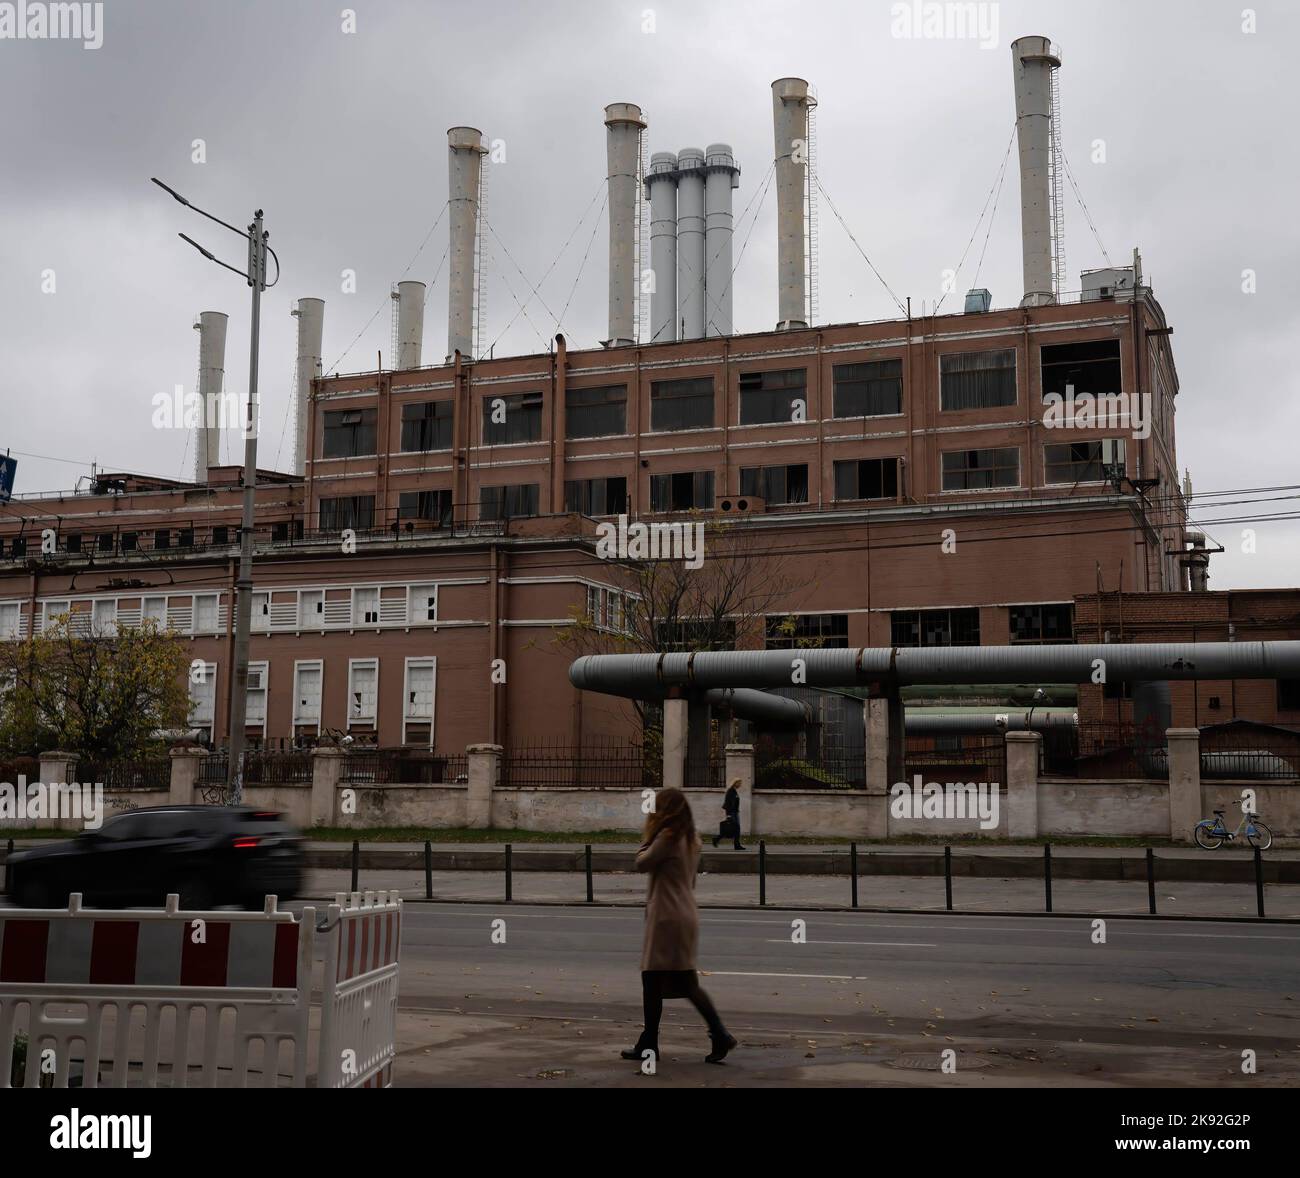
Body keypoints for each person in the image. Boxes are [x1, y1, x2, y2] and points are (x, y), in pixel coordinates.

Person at [621, 788, 737, 1066]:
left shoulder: (667, 837)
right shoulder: (691, 839)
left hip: (666, 916)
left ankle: (714, 1035)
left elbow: (642, 863)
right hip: (685, 911)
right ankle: (652, 1041)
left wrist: (645, 841)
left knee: (658, 980)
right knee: (676, 981)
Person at [713, 777, 746, 850]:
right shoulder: (730, 791)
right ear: (735, 783)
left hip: (735, 812)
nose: (740, 784)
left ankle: (717, 840)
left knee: (734, 829)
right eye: (739, 783)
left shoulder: (734, 791)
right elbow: (727, 804)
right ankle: (736, 845)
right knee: (735, 828)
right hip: (732, 813)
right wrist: (728, 814)